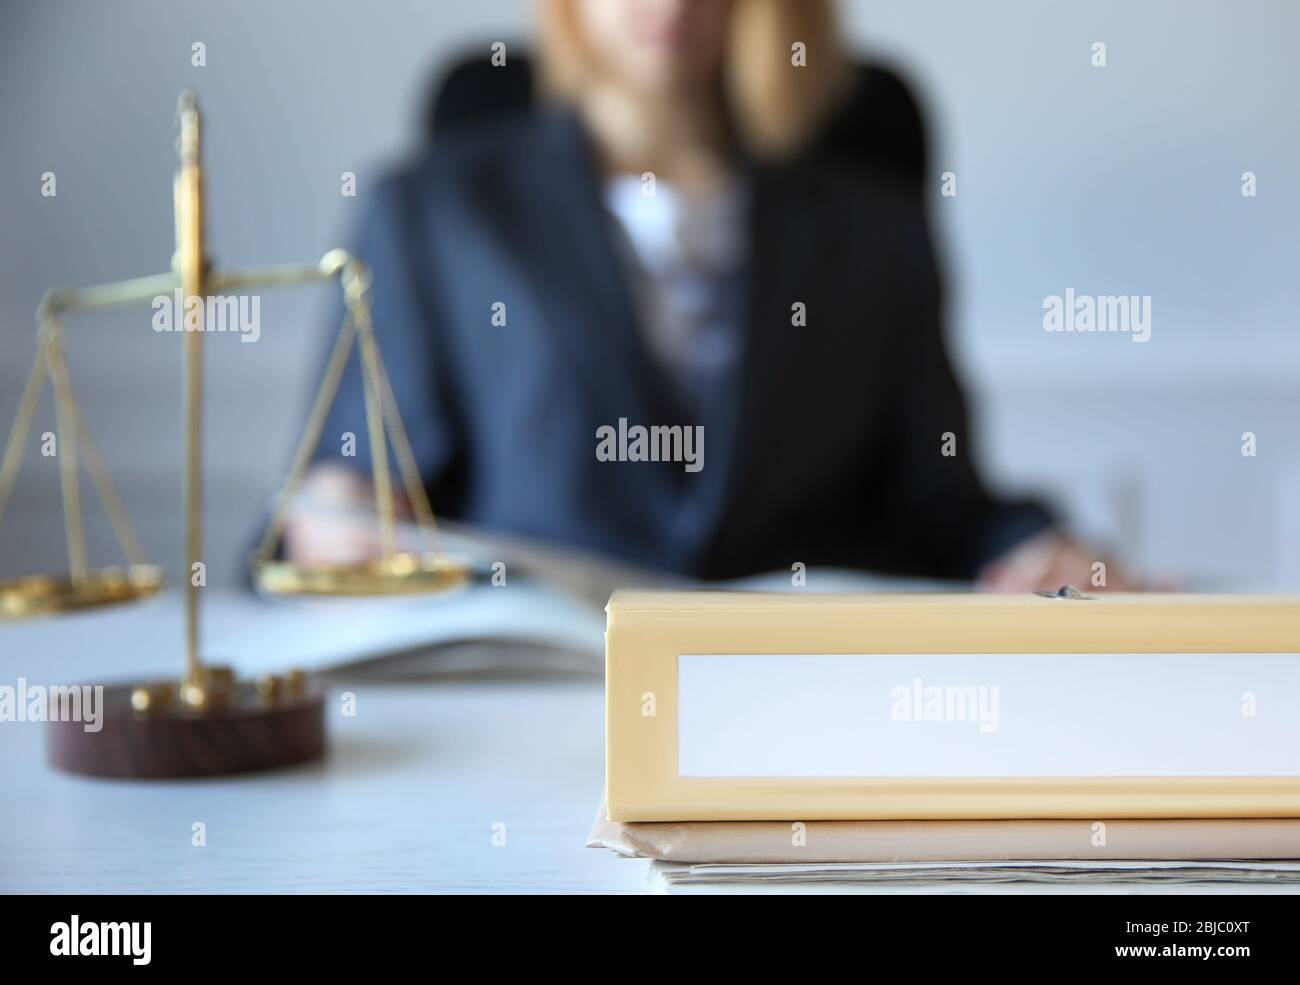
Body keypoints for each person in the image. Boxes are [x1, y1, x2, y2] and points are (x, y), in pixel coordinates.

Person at [284, 0, 1126, 592]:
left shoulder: (873, 228)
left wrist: (1037, 549)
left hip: (803, 702)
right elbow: (347, 483)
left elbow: (945, 500)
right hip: (522, 707)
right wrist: (334, 519)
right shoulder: (436, 211)